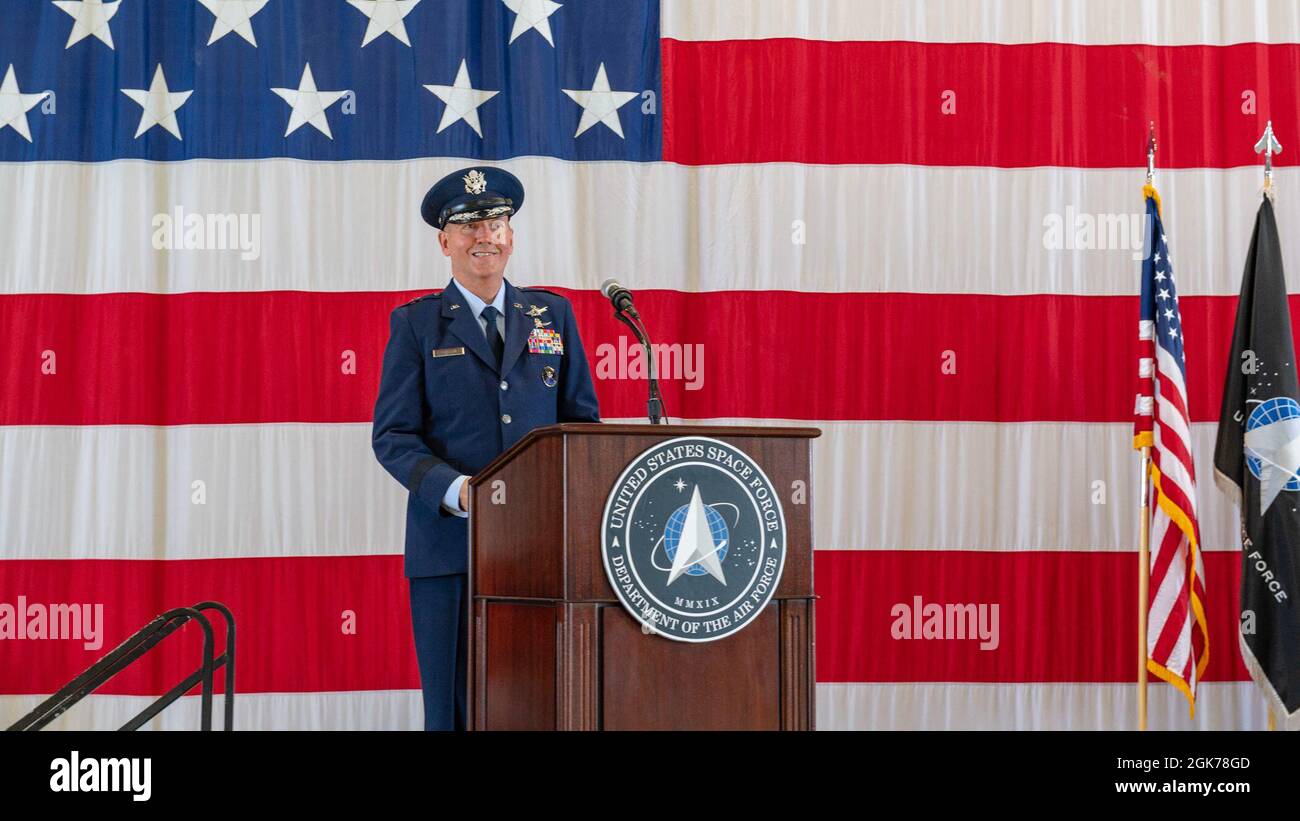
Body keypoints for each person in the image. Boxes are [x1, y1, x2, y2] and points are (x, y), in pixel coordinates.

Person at [371, 166, 601, 730]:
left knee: (539, 701)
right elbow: (393, 436)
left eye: (495, 222)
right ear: (444, 241)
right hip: (449, 550)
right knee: (452, 710)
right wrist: (457, 491)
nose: (484, 235)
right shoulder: (418, 325)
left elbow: (582, 427)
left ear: (511, 236)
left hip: (541, 550)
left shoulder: (555, 316)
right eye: (468, 225)